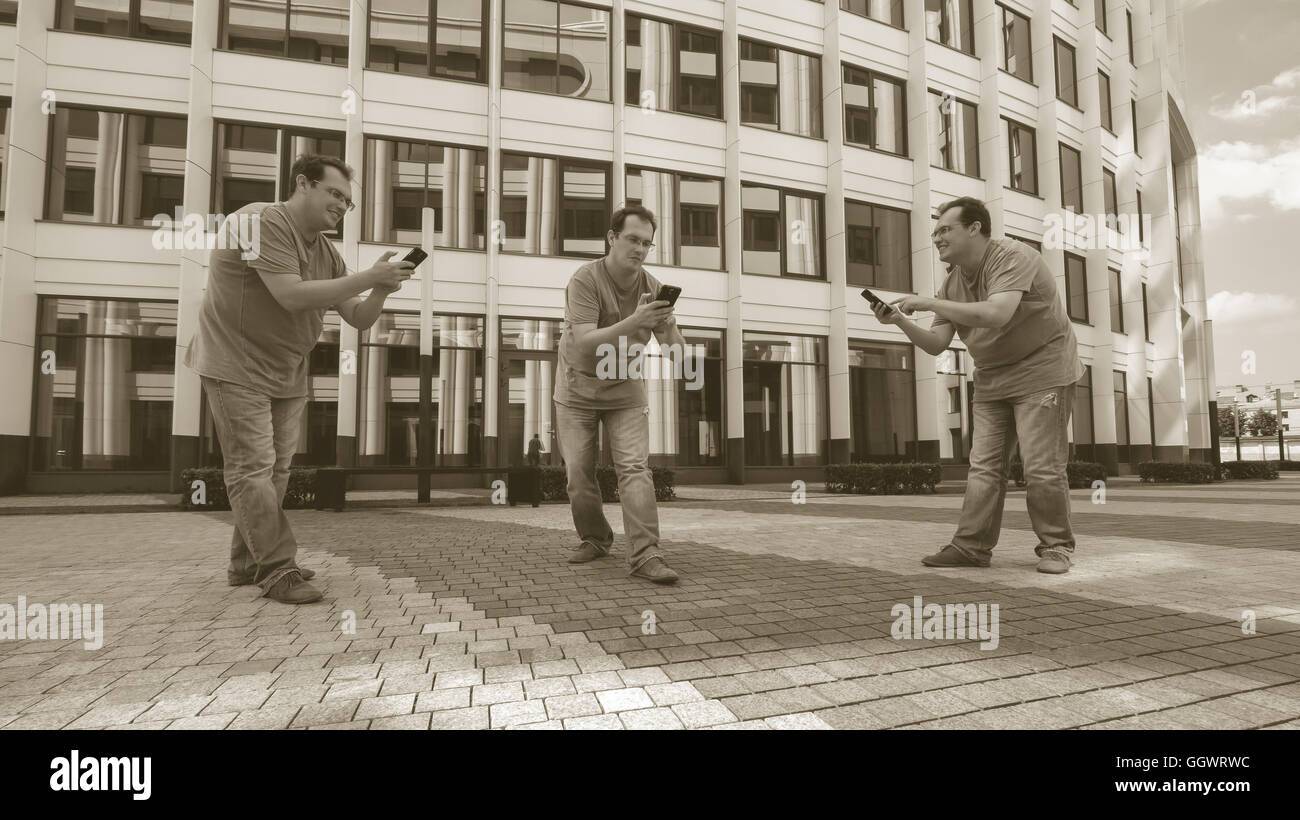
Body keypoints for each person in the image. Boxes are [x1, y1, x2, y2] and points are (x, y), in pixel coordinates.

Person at [185, 154, 414, 603]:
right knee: (252, 468)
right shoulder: (259, 221)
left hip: (287, 370)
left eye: (348, 202)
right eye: (334, 194)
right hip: (235, 364)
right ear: (302, 183)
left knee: (276, 472)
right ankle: (277, 569)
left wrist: (382, 288)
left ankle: (247, 563)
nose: (342, 206)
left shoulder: (327, 252)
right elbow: (290, 295)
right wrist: (368, 275)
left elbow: (359, 318)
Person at [875, 197, 1084, 574]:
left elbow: (996, 313)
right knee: (983, 468)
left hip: (1044, 369)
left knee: (1041, 467)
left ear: (975, 228)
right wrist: (902, 322)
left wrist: (926, 301)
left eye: (944, 230)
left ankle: (1056, 547)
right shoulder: (951, 283)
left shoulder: (1013, 257)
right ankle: (971, 547)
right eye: (934, 232)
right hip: (992, 377)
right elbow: (937, 344)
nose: (936, 238)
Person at [553, 205, 685, 584]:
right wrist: (636, 321)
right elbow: (582, 343)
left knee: (634, 470)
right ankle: (595, 538)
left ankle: (646, 554)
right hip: (576, 388)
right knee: (579, 473)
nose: (640, 249)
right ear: (612, 238)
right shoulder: (585, 279)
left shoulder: (654, 288)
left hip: (625, 389)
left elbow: (676, 356)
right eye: (632, 239)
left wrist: (668, 324)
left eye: (647, 243)